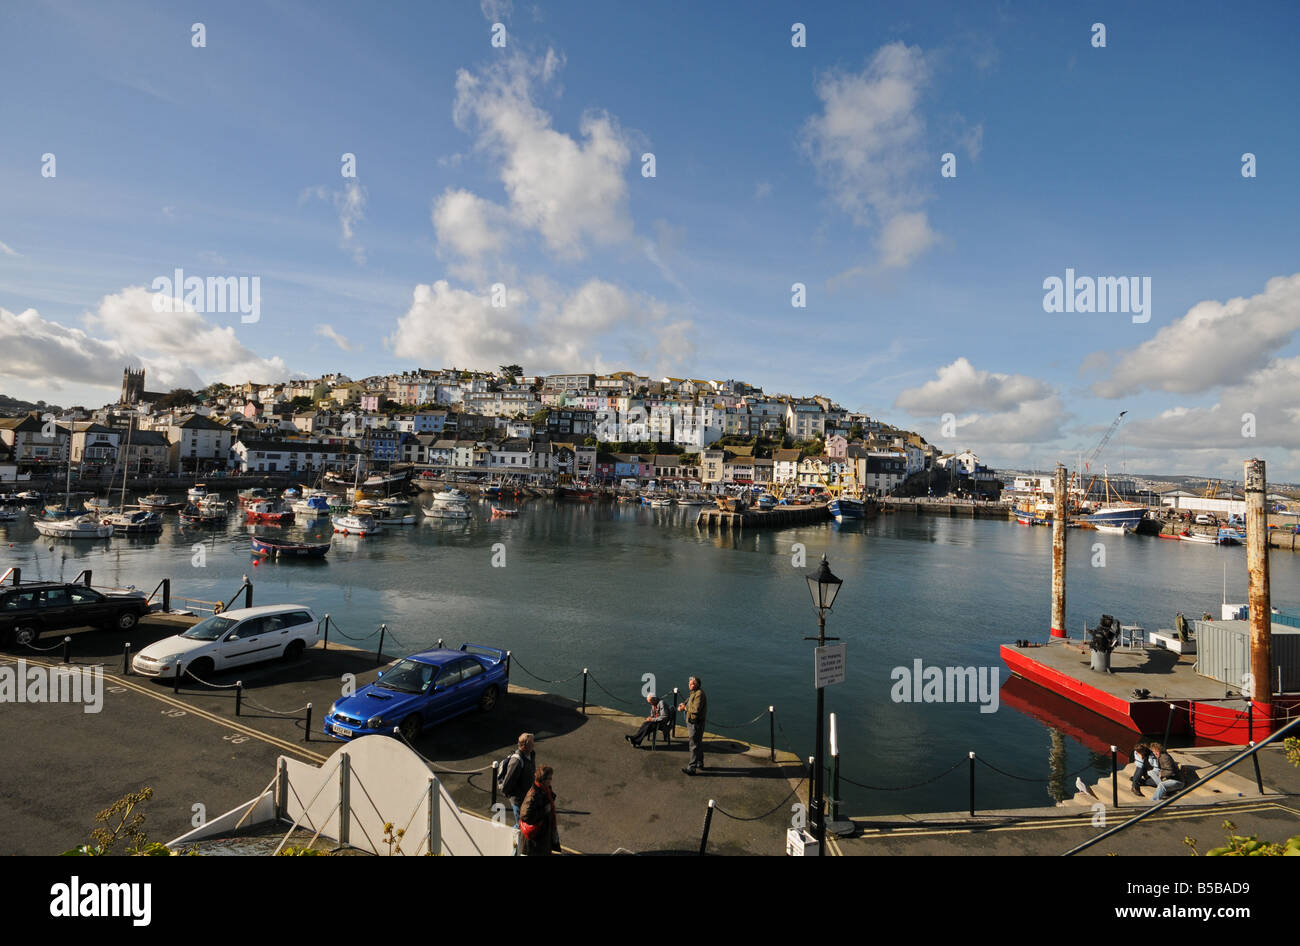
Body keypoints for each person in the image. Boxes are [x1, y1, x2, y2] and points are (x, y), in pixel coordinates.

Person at [518, 765, 559, 855]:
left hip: (542, 835)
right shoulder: (533, 795)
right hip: (536, 838)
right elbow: (525, 815)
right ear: (543, 779)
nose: (551, 780)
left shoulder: (545, 789)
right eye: (549, 778)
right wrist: (544, 811)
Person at [499, 733, 535, 825]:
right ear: (524, 746)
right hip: (519, 800)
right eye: (531, 743)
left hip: (527, 797)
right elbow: (507, 783)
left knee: (525, 823)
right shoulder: (516, 761)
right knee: (520, 825)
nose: (534, 745)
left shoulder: (531, 754)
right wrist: (513, 796)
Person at [678, 676, 707, 775]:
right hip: (694, 722)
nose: (689, 685)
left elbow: (696, 709)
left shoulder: (699, 694)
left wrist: (684, 708)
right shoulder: (695, 692)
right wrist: (684, 703)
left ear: (696, 685)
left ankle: (692, 768)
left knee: (693, 745)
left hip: (696, 723)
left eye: (691, 684)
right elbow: (690, 699)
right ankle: (700, 762)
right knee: (697, 743)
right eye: (689, 683)